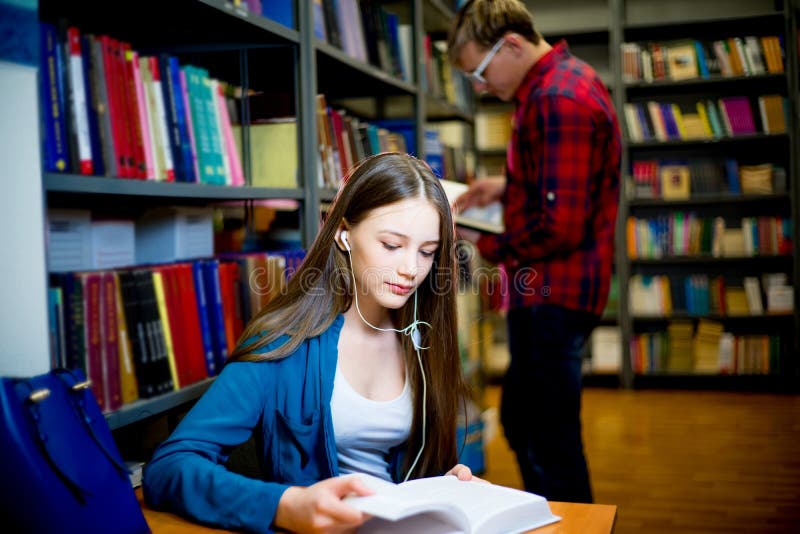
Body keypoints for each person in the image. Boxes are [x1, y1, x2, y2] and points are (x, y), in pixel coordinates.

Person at [143, 152, 475, 533]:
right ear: (343, 234)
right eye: (391, 245)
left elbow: (414, 468)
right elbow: (169, 467)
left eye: (426, 252)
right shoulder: (284, 343)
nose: (411, 269)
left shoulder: (423, 338)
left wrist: (449, 485)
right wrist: (286, 505)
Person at [447, 0, 621, 504]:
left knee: (549, 442)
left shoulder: (557, 98)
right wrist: (505, 186)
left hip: (553, 296)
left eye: (479, 72)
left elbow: (560, 227)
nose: (480, 87)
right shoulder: (559, 84)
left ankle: (567, 522)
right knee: (528, 426)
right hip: (553, 294)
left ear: (513, 44)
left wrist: (484, 243)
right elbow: (564, 182)